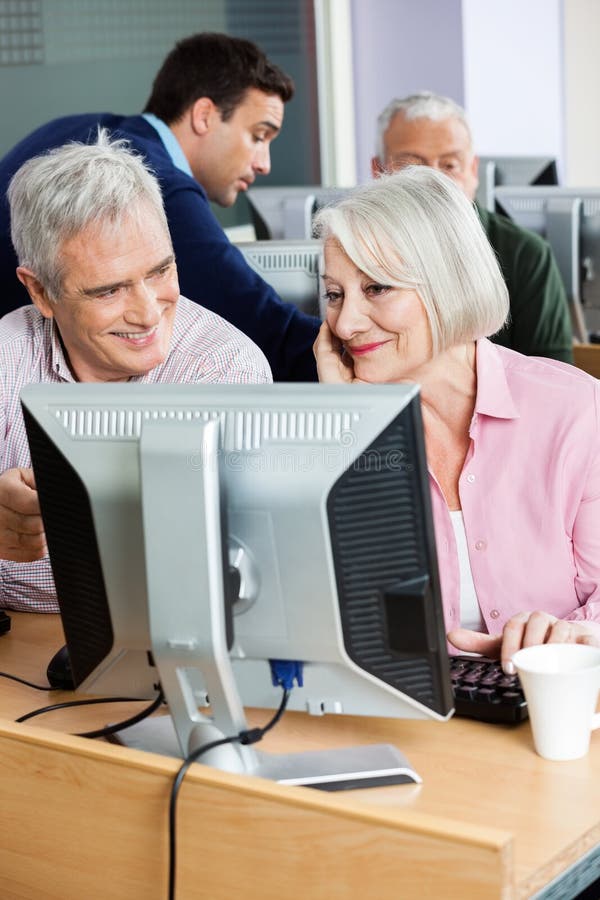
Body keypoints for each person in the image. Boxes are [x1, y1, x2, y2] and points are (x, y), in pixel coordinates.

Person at [313, 167, 600, 669]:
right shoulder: (341, 427)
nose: (346, 322)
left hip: (553, 705)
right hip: (411, 714)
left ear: (448, 283)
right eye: (335, 294)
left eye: (377, 288)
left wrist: (571, 636)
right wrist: (352, 425)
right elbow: (338, 615)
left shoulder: (575, 413)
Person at [0, 133, 271, 612]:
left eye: (160, 271)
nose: (148, 313)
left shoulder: (226, 367)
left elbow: (236, 580)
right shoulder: (7, 353)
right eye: (109, 291)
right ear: (40, 292)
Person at [0, 32, 320, 382]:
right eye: (258, 136)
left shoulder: (73, 129)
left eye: (159, 272)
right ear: (204, 115)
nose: (264, 163)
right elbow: (273, 336)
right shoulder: (151, 188)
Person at [372, 91, 573, 364]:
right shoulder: (361, 251)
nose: (434, 180)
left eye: (449, 165)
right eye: (412, 166)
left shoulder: (525, 254)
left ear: (473, 171)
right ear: (377, 171)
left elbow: (555, 381)